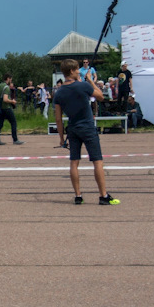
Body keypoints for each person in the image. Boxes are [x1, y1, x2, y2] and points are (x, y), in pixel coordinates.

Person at [53, 58, 119, 205]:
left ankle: (78, 195)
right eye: (77, 69)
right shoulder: (83, 86)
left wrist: (61, 137)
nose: (79, 72)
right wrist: (90, 80)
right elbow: (100, 96)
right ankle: (103, 195)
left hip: (73, 128)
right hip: (88, 127)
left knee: (74, 162)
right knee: (97, 161)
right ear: (71, 71)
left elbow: (58, 119)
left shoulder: (59, 92)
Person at [0, 74, 24, 146]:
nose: (11, 80)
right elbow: (5, 99)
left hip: (1, 108)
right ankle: (15, 139)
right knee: (13, 122)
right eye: (10, 79)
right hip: (7, 108)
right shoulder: (6, 87)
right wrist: (12, 101)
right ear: (8, 78)